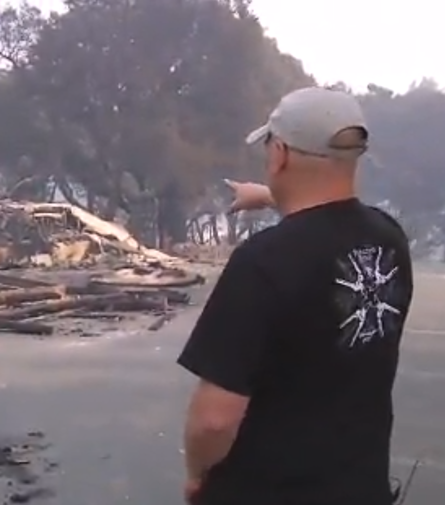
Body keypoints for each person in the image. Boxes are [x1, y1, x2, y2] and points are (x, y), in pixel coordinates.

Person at [178, 87, 414, 505]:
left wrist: (199, 476)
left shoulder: (262, 263)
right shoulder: (388, 239)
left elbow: (214, 421)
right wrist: (269, 197)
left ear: (280, 153)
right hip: (362, 488)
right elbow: (331, 217)